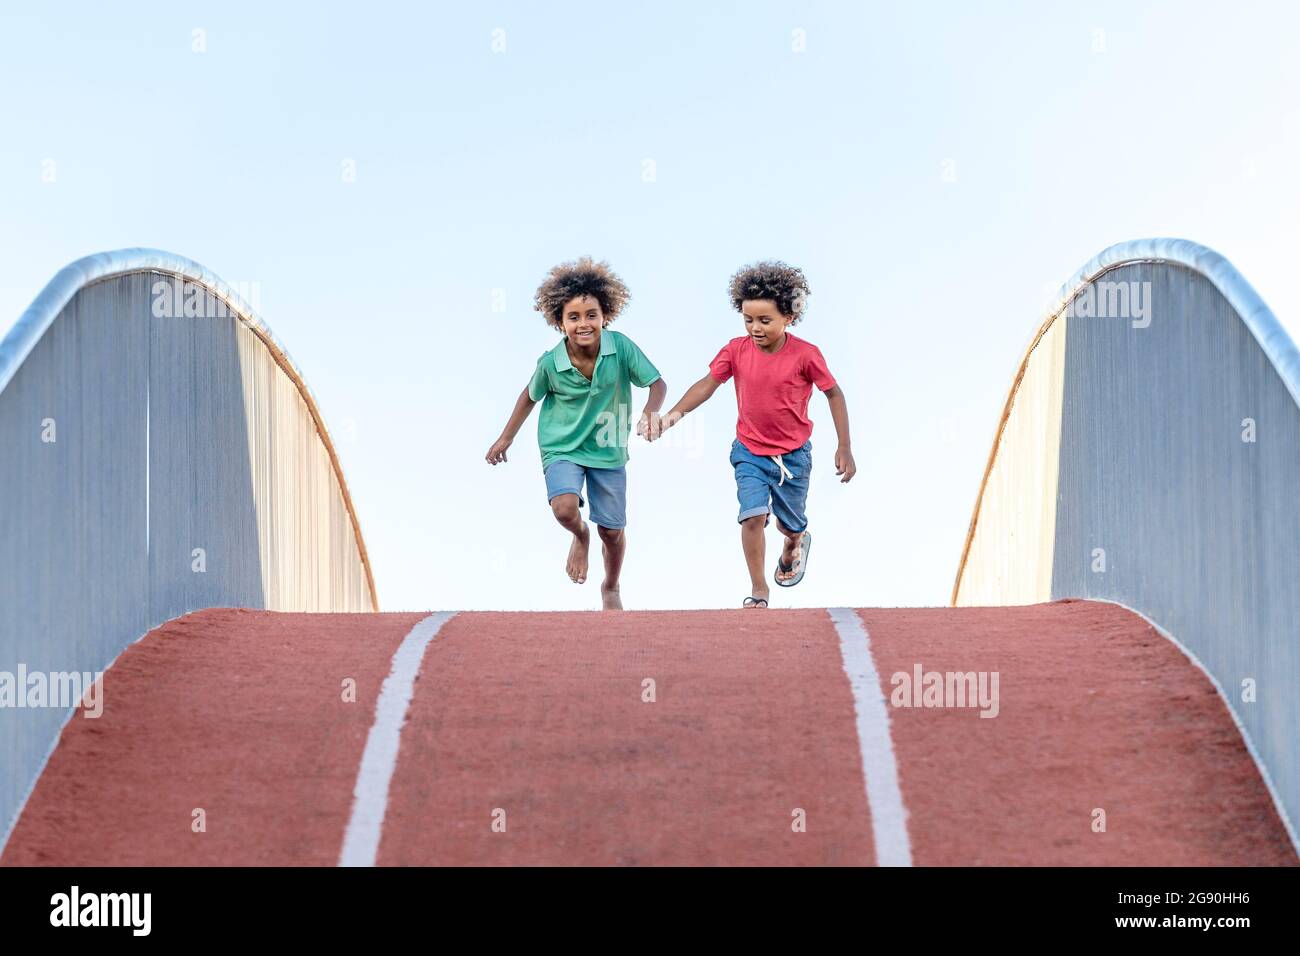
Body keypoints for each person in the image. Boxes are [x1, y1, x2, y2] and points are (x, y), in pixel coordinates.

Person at [654, 260, 855, 608]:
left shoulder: (806, 355)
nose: (755, 328)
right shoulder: (735, 350)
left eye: (765, 321)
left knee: (790, 526)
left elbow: (833, 394)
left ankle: (794, 542)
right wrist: (671, 416)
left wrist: (845, 446)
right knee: (752, 515)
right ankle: (759, 589)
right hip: (749, 451)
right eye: (748, 320)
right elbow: (707, 385)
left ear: (788, 318)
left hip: (794, 456)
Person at [486, 257, 667, 610]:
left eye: (591, 315)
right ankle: (579, 536)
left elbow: (657, 382)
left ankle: (611, 585)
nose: (583, 324)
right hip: (562, 446)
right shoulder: (551, 363)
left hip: (607, 447)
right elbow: (528, 396)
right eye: (573, 317)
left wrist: (651, 411)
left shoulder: (621, 348)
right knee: (565, 509)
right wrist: (506, 437)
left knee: (612, 532)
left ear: (605, 317)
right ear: (560, 322)